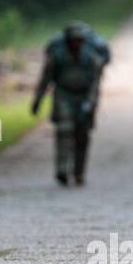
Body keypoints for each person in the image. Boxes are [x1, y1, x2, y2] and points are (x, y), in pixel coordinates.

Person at [31, 22, 109, 186]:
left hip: (84, 97)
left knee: (82, 135)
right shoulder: (58, 57)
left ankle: (79, 172)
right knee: (63, 132)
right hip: (63, 95)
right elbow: (46, 80)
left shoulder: (91, 58)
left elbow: (95, 83)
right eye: (73, 40)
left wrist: (91, 102)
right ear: (67, 41)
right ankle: (62, 169)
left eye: (79, 40)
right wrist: (37, 101)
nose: (76, 43)